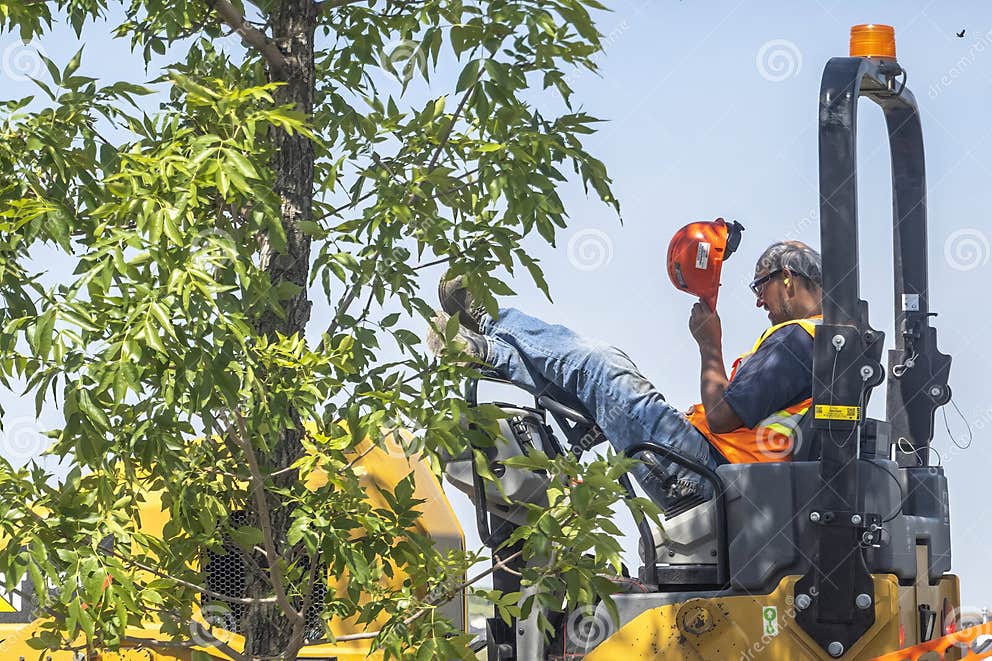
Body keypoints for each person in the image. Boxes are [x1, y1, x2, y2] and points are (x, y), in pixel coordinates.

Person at [428, 240, 823, 513]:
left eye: (760, 285)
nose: (758, 299)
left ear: (786, 278)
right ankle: (490, 354)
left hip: (706, 474)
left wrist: (709, 344)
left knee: (602, 367)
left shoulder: (800, 339)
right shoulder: (822, 346)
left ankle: (490, 319)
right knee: (589, 388)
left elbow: (722, 416)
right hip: (715, 476)